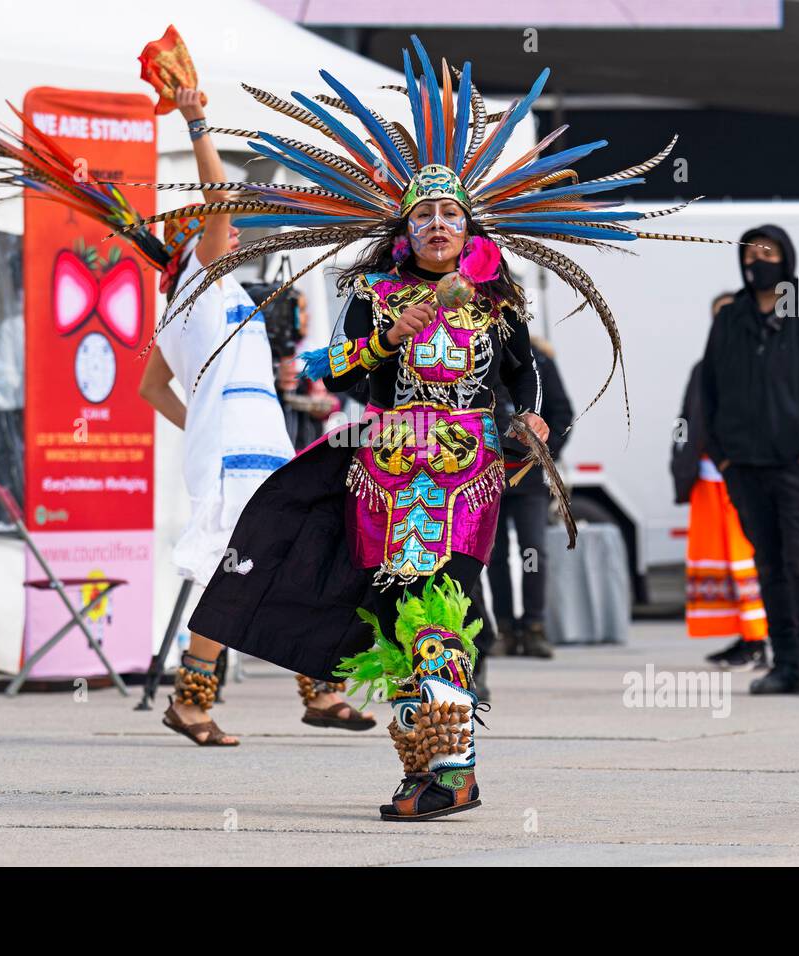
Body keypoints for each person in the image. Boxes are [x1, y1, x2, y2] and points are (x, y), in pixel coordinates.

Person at [151, 36, 714, 819]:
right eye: (426, 215)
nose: (440, 224)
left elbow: (525, 372)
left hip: (463, 473)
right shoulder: (374, 293)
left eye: (452, 213)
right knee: (395, 615)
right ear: (406, 230)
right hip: (382, 470)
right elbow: (333, 370)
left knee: (433, 607)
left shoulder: (497, 300)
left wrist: (536, 421)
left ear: (469, 224)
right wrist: (391, 331)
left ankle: (454, 771)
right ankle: (427, 766)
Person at [137, 87, 374, 745]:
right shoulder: (203, 275)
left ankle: (317, 691)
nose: (234, 231)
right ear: (193, 240)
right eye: (220, 229)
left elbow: (151, 391)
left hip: (248, 449)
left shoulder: (191, 301)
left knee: (288, 558)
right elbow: (222, 201)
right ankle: (198, 701)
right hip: (240, 456)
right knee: (237, 568)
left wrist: (205, 429)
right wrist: (196, 121)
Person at [701, 225, 799, 696]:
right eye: (750, 254)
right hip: (745, 467)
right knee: (768, 565)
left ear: (786, 258)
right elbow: (707, 392)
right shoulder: (730, 321)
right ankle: (785, 663)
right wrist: (723, 455)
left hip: (798, 468)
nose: (757, 261)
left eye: (767, 252)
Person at [673, 292, 768, 669]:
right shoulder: (703, 369)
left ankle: (761, 637)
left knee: (747, 560)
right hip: (707, 480)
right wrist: (680, 464)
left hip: (744, 480)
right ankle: (745, 637)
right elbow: (685, 421)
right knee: (719, 564)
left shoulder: (760, 364)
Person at [488, 336, 574, 659]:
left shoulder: (540, 363)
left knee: (532, 551)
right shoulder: (482, 353)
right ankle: (506, 628)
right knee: (494, 556)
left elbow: (563, 414)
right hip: (490, 477)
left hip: (529, 480)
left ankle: (534, 628)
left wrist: (545, 453)